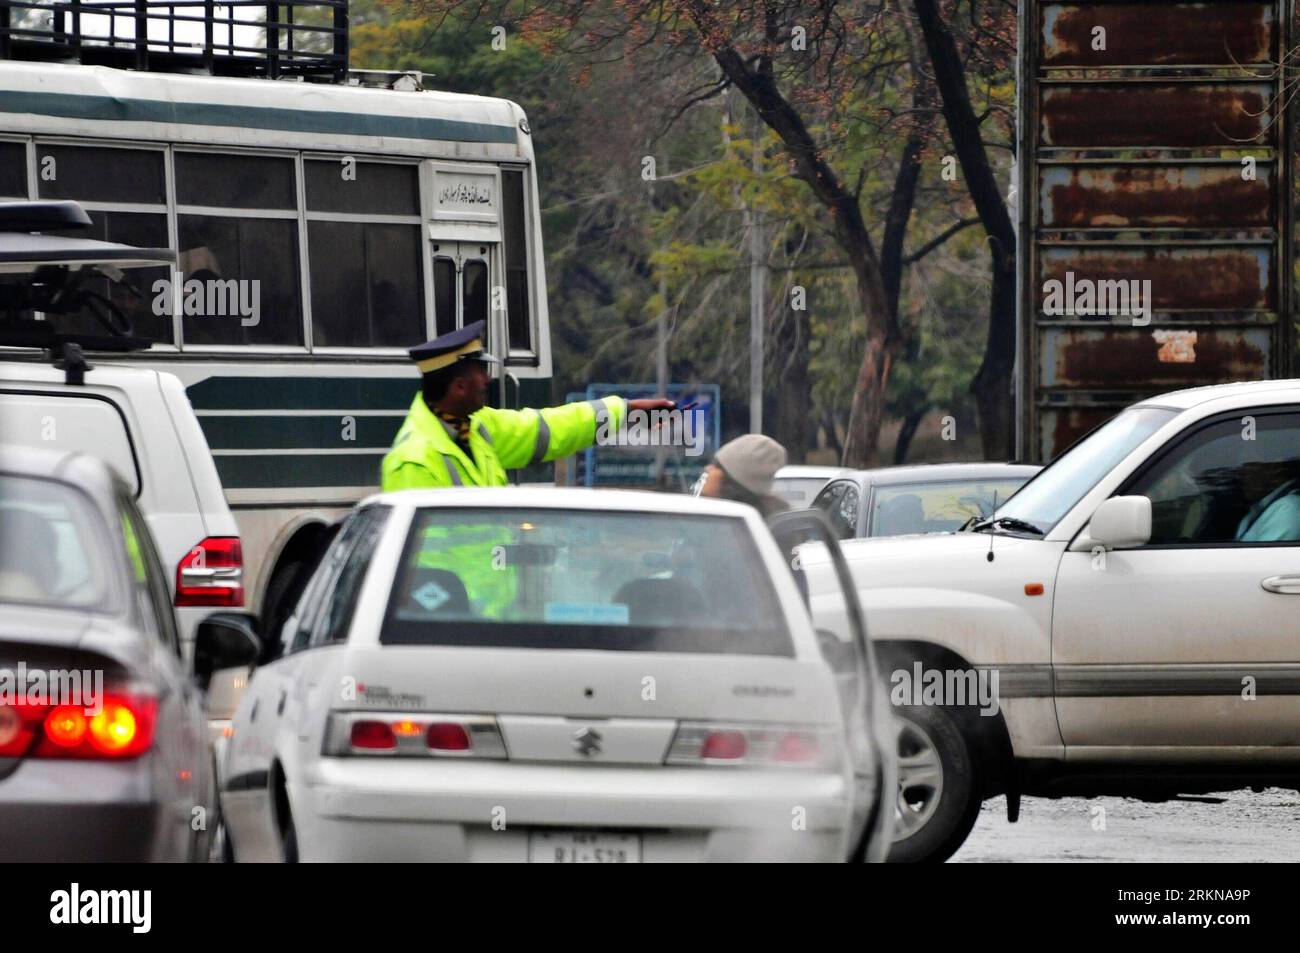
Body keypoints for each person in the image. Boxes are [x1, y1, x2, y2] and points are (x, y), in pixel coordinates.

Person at [381, 320, 675, 490]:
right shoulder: (413, 461)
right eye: (480, 372)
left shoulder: (478, 427)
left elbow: (548, 429)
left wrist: (623, 413)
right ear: (458, 387)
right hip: (456, 598)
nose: (488, 380)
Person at [692, 433, 790, 519]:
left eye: (716, 466)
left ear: (729, 482)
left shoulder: (717, 525)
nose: (707, 469)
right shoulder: (771, 521)